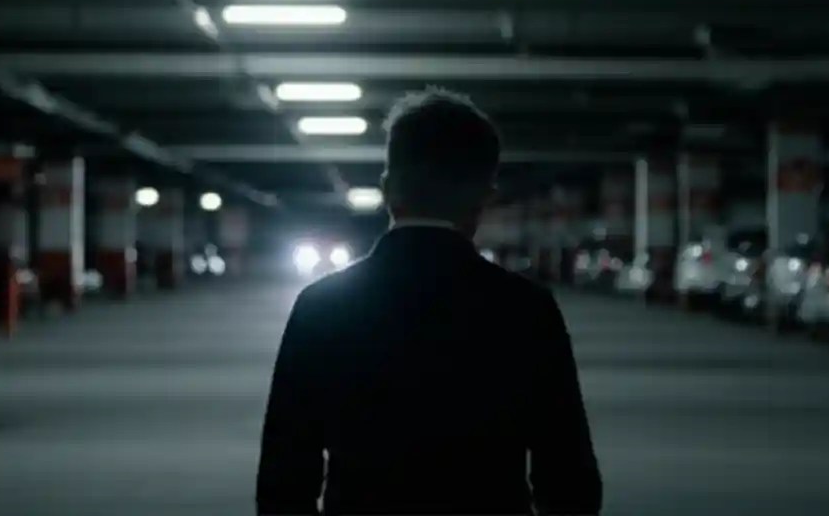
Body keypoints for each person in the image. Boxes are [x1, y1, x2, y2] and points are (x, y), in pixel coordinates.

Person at [256, 88, 603, 515]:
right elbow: (568, 476)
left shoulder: (321, 306)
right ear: (483, 198)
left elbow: (284, 476)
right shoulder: (526, 309)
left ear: (387, 189)